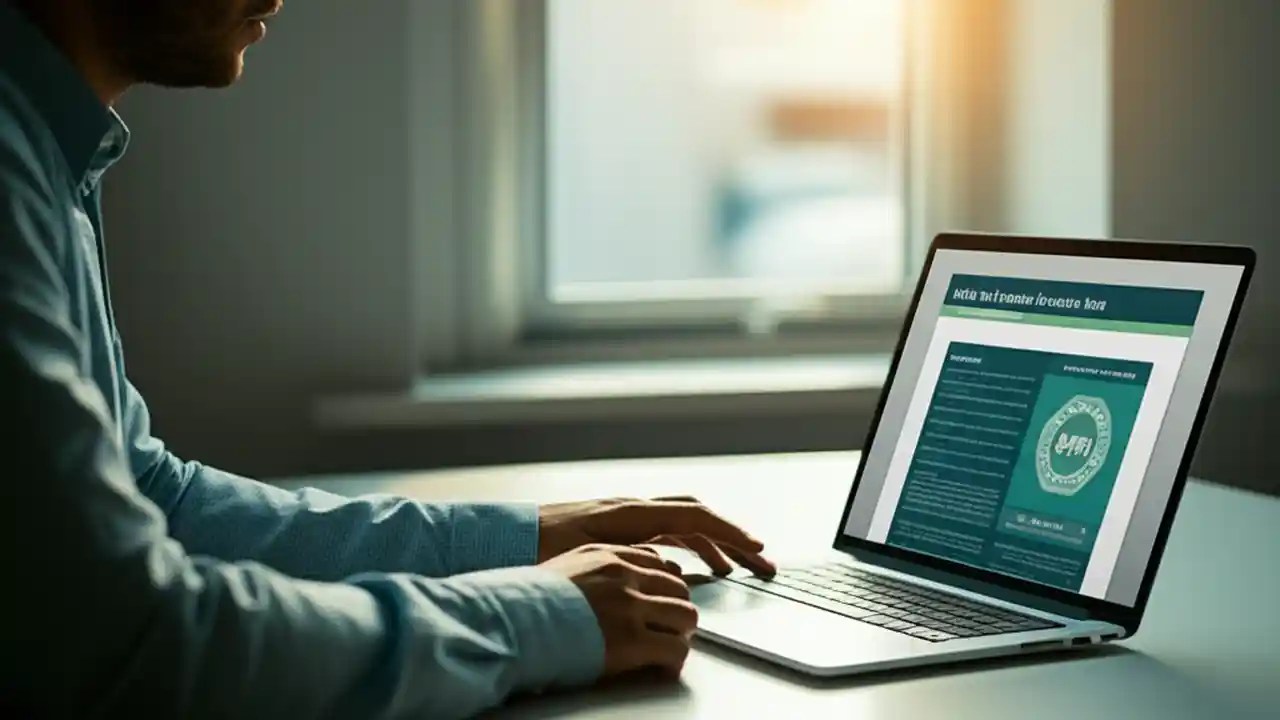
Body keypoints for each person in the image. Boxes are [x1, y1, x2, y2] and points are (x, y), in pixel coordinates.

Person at [0, 1, 776, 716]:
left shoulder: (45, 141)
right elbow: (138, 643)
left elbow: (157, 501)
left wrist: (522, 539)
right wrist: (540, 614)